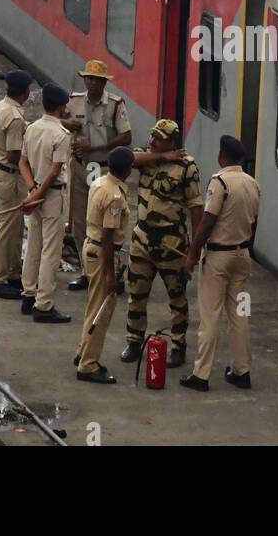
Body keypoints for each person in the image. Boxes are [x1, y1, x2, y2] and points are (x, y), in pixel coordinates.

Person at [179, 135, 260, 392]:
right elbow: (254, 223)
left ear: (222, 155)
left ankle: (201, 375)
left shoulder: (220, 182)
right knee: (240, 315)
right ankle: (241, 371)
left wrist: (192, 254)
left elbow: (207, 221)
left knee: (210, 315)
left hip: (218, 258)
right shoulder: (253, 184)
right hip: (242, 256)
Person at [120, 119, 201, 368]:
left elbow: (196, 208)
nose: (153, 141)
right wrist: (162, 155)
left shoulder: (187, 167)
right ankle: (134, 340)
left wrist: (193, 253)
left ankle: (178, 345)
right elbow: (127, 158)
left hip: (171, 242)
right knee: (136, 294)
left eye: (159, 138)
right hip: (142, 239)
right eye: (153, 137)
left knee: (176, 297)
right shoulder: (149, 157)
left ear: (172, 141)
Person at [63, 59, 131, 290]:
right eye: (88, 78)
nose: (92, 83)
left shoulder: (114, 105)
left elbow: (126, 137)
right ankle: (87, 270)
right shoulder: (73, 102)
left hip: (103, 169)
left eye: (96, 79)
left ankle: (112, 268)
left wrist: (95, 145)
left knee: (108, 222)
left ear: (104, 82)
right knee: (81, 220)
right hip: (80, 167)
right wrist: (66, 124)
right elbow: (56, 120)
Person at [74, 146, 134, 384]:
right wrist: (111, 274)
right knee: (102, 310)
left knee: (92, 305)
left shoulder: (100, 183)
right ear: (128, 170)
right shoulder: (115, 197)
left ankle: (82, 351)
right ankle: (88, 365)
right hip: (103, 252)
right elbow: (109, 237)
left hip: (90, 247)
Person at [18, 82, 73, 324]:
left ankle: (28, 295)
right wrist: (39, 194)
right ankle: (44, 304)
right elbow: (54, 172)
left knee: (33, 245)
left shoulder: (32, 129)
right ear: (61, 108)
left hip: (36, 193)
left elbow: (23, 163)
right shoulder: (62, 135)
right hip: (52, 195)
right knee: (51, 251)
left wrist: (31, 191)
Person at [0, 70, 30, 300]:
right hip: (11, 176)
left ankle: (13, 274)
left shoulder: (0, 107)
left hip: (1, 172)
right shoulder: (14, 118)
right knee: (6, 229)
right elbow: (15, 155)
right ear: (25, 92)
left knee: (15, 228)